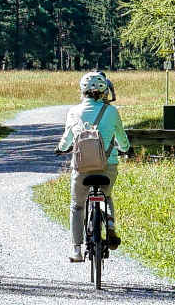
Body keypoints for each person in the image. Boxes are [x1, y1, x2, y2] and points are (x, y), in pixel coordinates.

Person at [56, 69, 130, 262]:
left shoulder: (73, 112)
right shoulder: (112, 111)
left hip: (82, 169)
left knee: (77, 206)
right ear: (104, 90)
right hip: (108, 166)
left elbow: (66, 141)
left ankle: (76, 250)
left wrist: (60, 148)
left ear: (82, 90)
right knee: (106, 195)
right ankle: (111, 227)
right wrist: (125, 148)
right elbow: (123, 141)